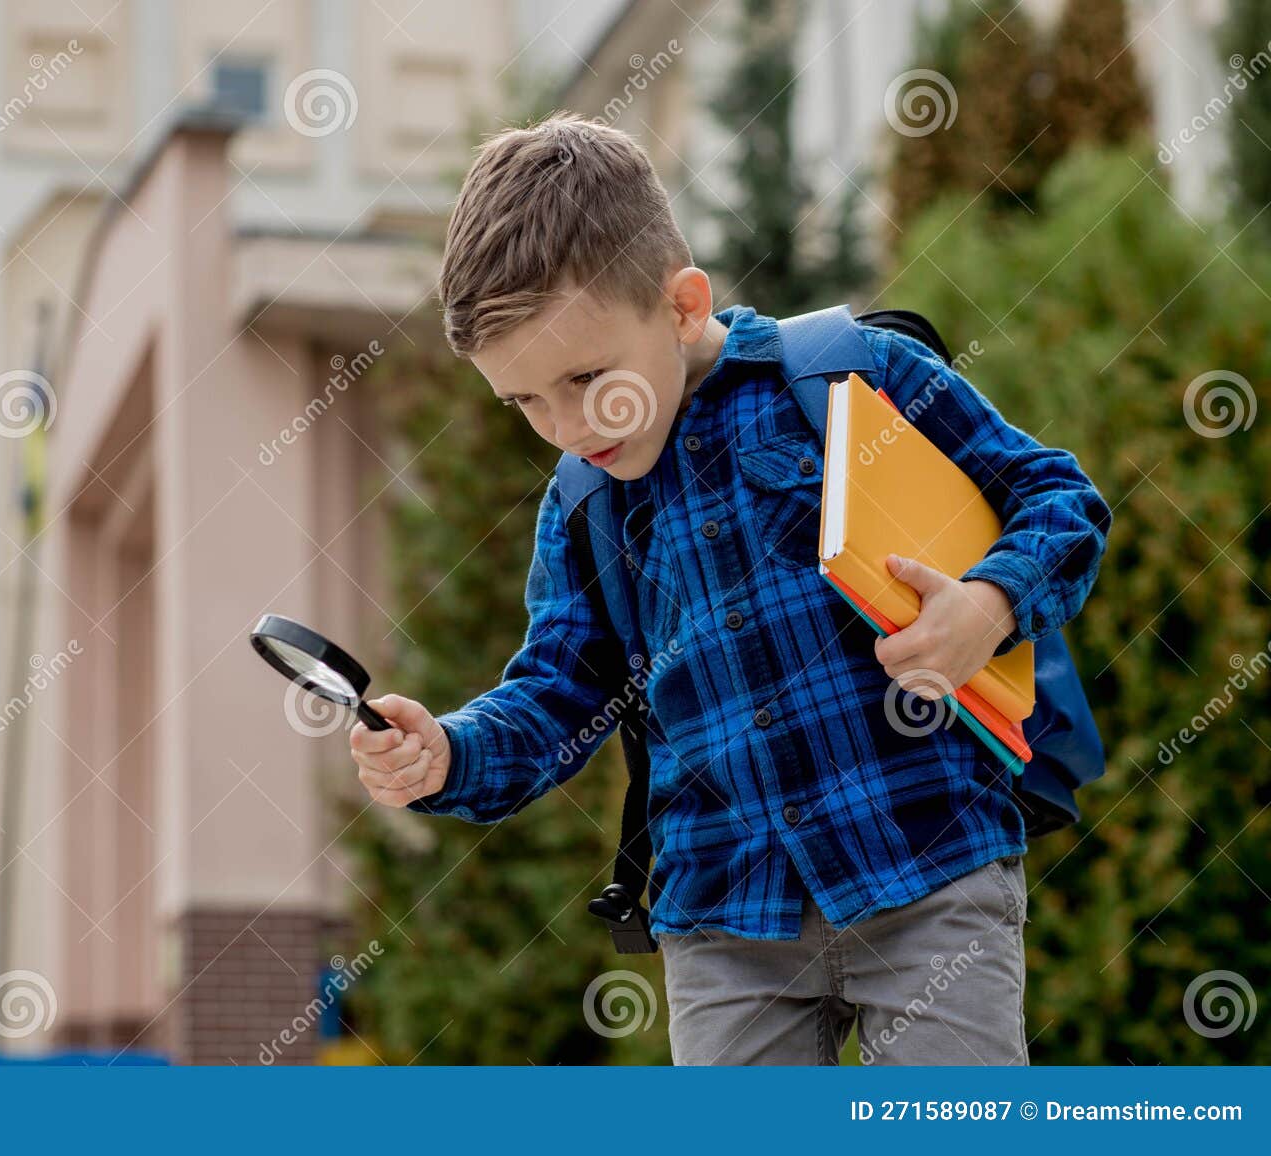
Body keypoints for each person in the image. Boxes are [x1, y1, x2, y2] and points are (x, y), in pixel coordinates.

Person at [346, 112, 1111, 1065]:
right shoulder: (583, 504)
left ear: (680, 305)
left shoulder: (850, 380)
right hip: (724, 929)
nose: (568, 424)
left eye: (587, 377)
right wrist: (450, 757)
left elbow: (1059, 499)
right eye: (526, 402)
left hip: (929, 873)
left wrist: (989, 605)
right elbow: (554, 698)